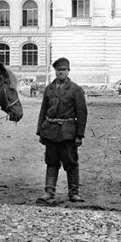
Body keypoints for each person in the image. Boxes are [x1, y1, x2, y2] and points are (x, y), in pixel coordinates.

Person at [35, 57, 88, 205]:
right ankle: (49, 192)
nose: (61, 73)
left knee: (71, 162)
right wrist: (40, 131)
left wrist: (79, 135)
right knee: (51, 162)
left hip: (67, 133)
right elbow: (43, 110)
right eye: (58, 70)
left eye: (64, 70)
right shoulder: (49, 89)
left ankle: (74, 193)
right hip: (50, 131)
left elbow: (82, 113)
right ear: (55, 71)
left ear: (68, 71)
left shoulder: (76, 90)